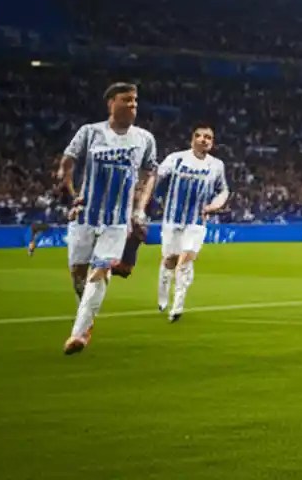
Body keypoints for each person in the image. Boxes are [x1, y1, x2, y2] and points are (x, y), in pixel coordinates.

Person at [59, 82, 158, 355]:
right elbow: (67, 163)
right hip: (85, 216)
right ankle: (87, 317)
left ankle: (78, 334)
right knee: (78, 273)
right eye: (126, 100)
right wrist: (71, 193)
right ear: (110, 103)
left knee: (100, 270)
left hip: (117, 220)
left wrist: (140, 208)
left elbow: (150, 173)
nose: (133, 105)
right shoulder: (90, 133)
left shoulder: (144, 139)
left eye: (135, 101)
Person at [155, 124, 229, 322]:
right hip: (172, 219)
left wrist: (214, 206)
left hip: (197, 221)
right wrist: (155, 198)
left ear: (212, 143)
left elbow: (223, 190)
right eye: (200, 136)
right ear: (192, 139)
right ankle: (163, 294)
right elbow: (156, 178)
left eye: (208, 138)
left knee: (186, 260)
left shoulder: (216, 165)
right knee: (170, 259)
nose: (204, 140)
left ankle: (177, 306)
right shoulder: (176, 159)